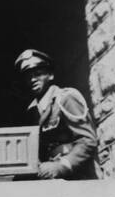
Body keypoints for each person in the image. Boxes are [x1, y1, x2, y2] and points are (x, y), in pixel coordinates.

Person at [14, 48, 98, 180]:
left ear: (50, 75)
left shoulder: (66, 98)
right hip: (50, 178)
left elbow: (87, 141)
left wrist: (63, 165)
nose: (33, 79)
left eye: (38, 73)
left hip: (78, 176)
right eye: (28, 75)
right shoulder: (32, 112)